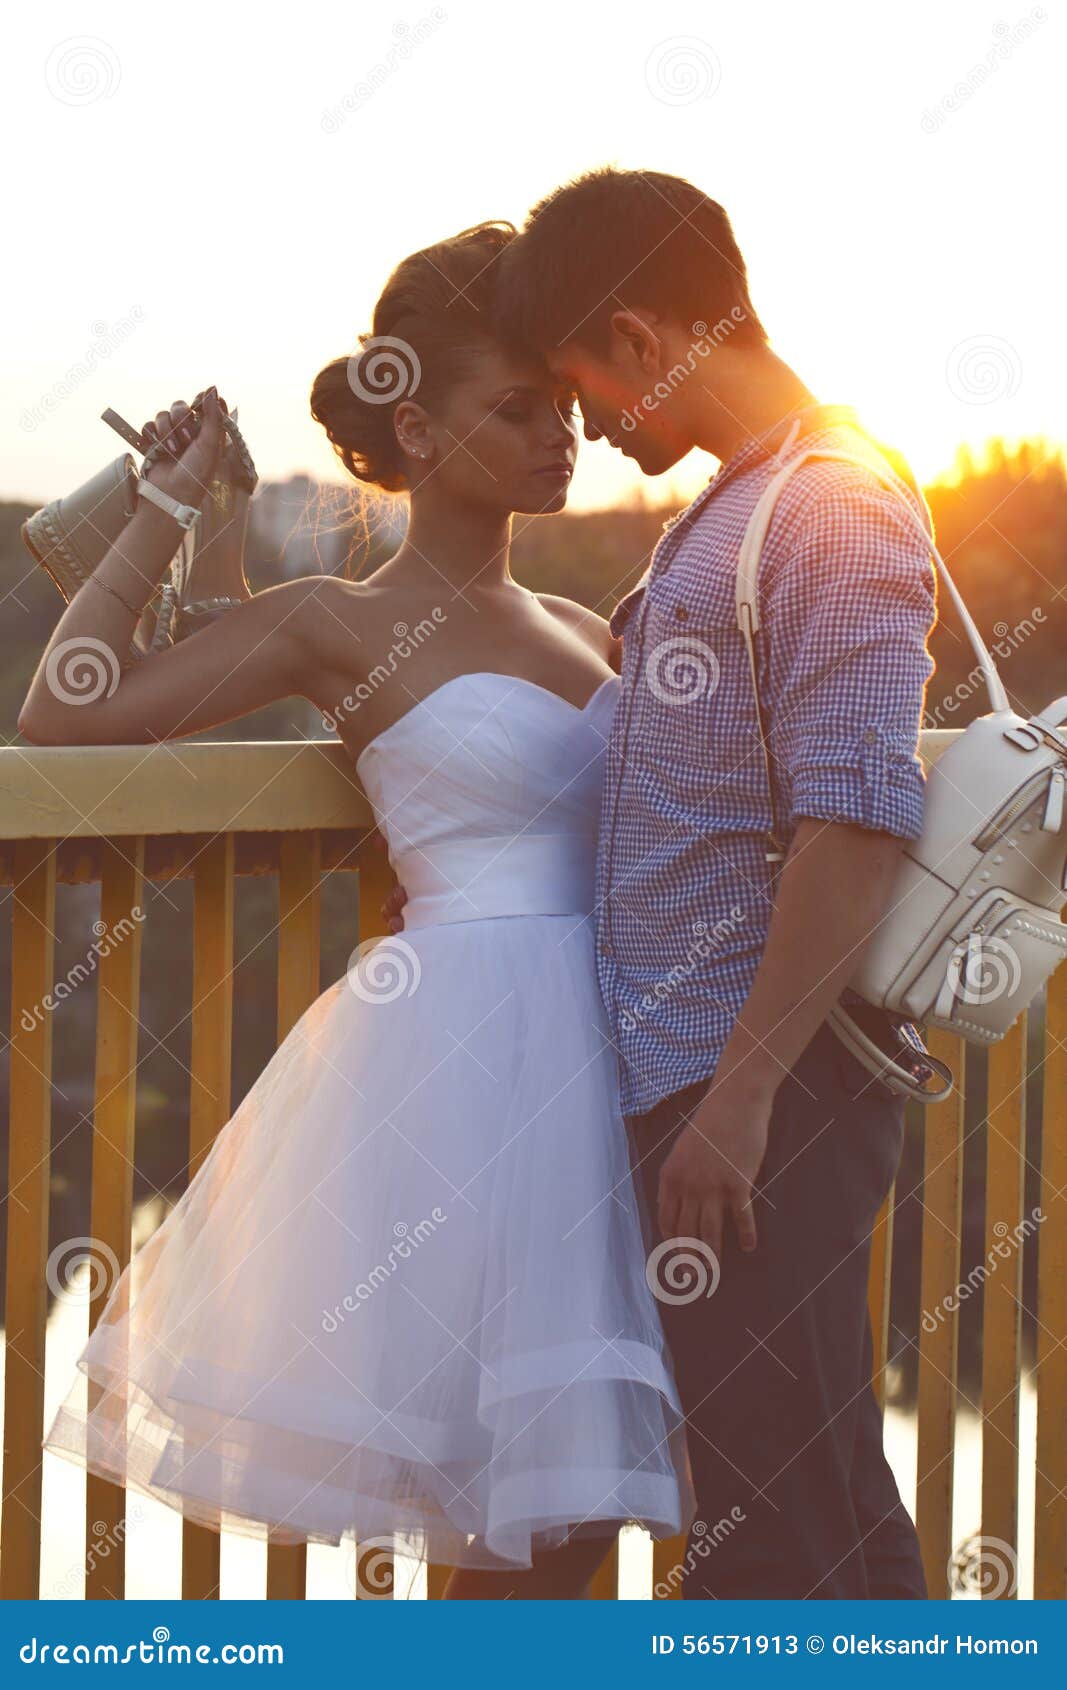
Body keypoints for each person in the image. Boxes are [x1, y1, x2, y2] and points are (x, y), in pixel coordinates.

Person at [24, 221, 693, 1599]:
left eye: (565, 406)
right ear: (421, 432)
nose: (561, 434)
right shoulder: (334, 619)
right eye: (518, 409)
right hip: (469, 1079)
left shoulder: (591, 629)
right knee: (500, 1524)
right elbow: (60, 712)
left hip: (621, 1066)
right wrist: (165, 503)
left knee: (571, 1540)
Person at [391, 169, 936, 1599]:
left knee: (805, 1514)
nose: (591, 427)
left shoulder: (831, 507)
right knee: (769, 1508)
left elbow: (859, 826)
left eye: (582, 383)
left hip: (759, 1100)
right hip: (704, 1097)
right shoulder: (738, 508)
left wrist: (741, 1103)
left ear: (641, 340)